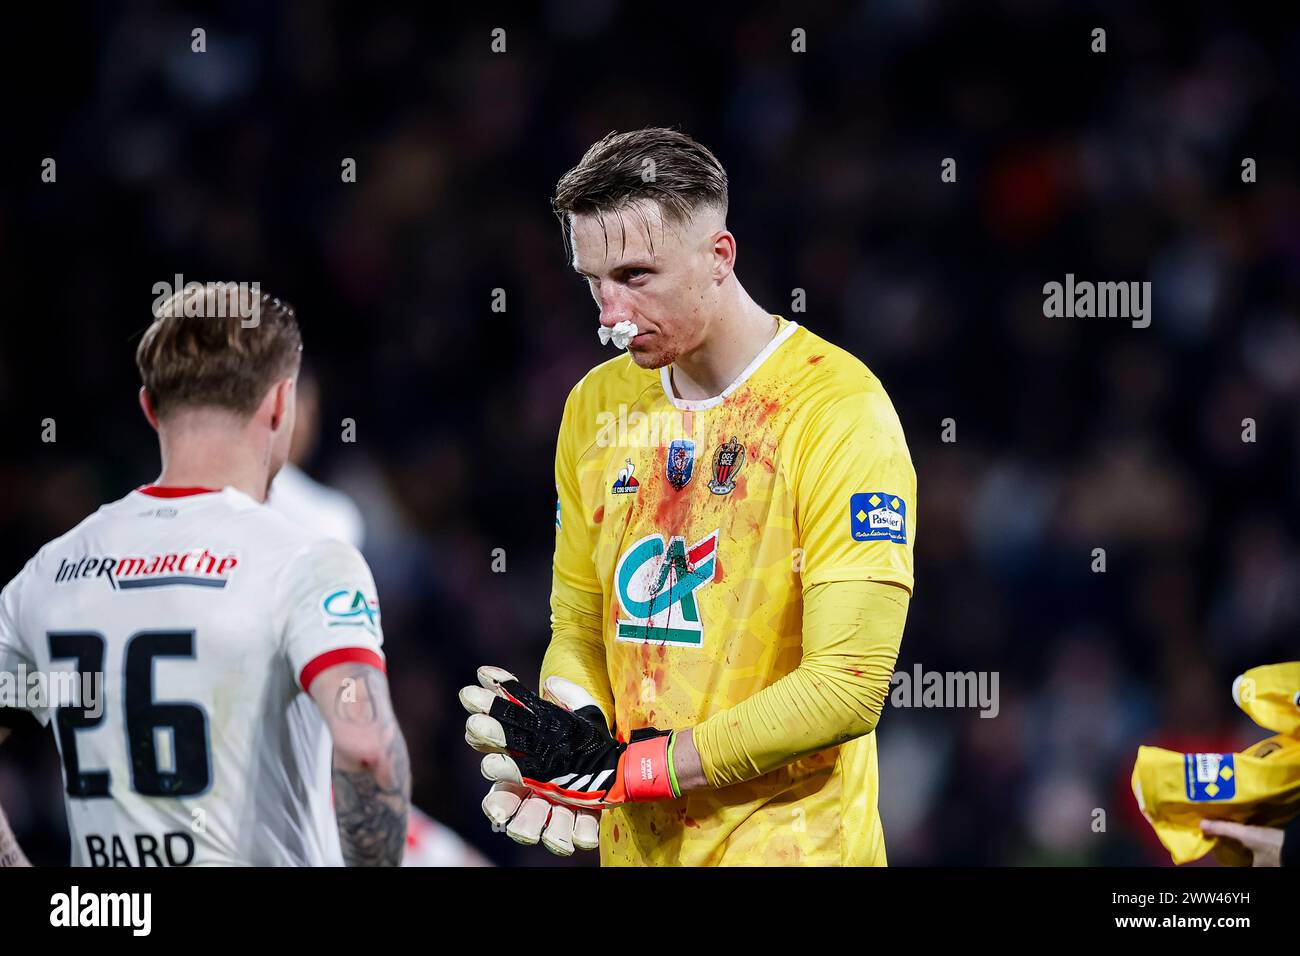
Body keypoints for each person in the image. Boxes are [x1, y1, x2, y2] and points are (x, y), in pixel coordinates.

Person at [461, 128, 915, 865]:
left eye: (636, 276)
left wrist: (635, 769)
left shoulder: (837, 411)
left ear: (719, 257)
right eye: (591, 280)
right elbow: (579, 626)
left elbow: (847, 686)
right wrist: (576, 738)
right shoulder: (594, 407)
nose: (609, 314)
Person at [0, 284, 409, 866]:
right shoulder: (306, 561)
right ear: (280, 404)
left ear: (149, 408)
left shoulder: (54, 570)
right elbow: (366, 748)